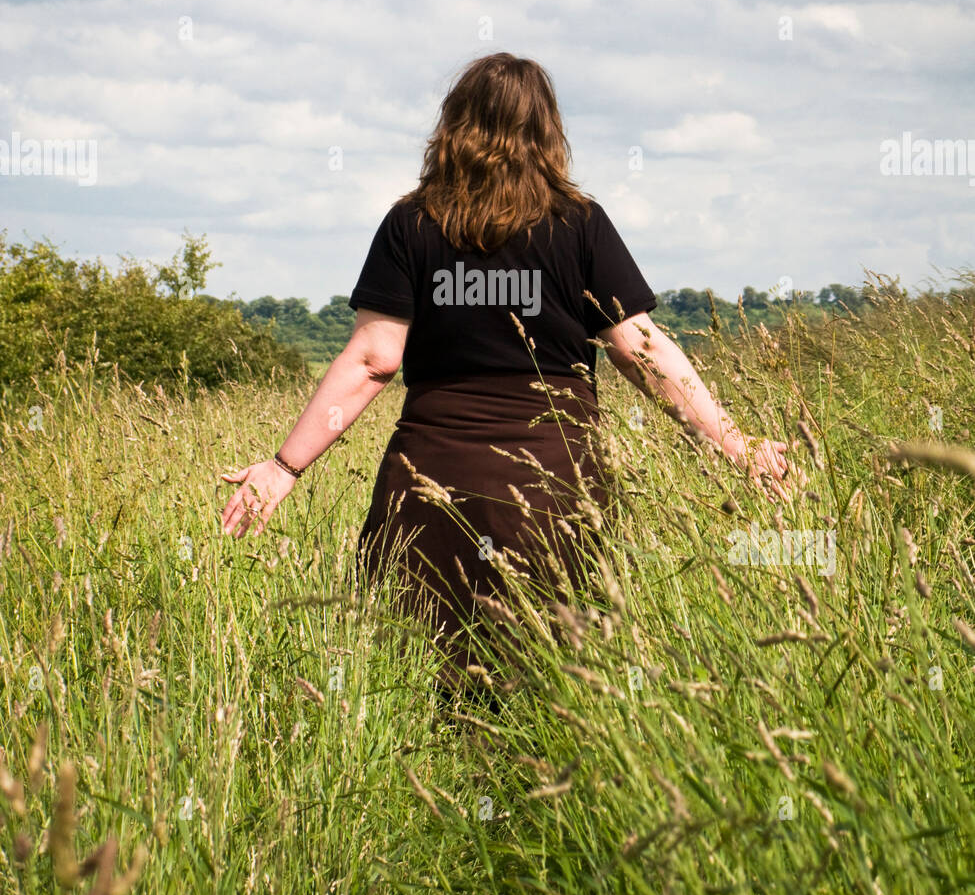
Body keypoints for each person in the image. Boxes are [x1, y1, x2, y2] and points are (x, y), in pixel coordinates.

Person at [220, 53, 789, 683]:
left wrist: (282, 467)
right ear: (547, 131)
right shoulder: (579, 223)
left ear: (452, 125)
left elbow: (374, 360)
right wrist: (737, 447)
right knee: (559, 672)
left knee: (418, 674)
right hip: (554, 480)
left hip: (432, 480)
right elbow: (641, 349)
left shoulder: (411, 223)